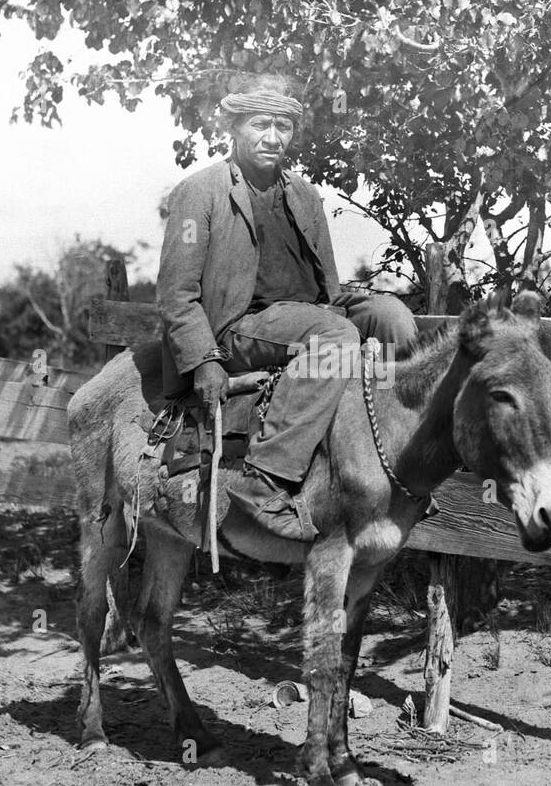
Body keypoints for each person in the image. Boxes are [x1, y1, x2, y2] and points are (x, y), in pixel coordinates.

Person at [156, 73, 418, 540]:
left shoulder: (304, 194)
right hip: (239, 327)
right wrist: (203, 361)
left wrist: (353, 308)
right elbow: (176, 292)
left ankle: (398, 466)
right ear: (234, 128)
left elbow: (327, 287)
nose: (272, 137)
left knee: (393, 317)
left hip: (309, 316)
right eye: (260, 124)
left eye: (283, 127)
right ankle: (266, 478)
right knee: (337, 337)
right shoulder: (201, 192)